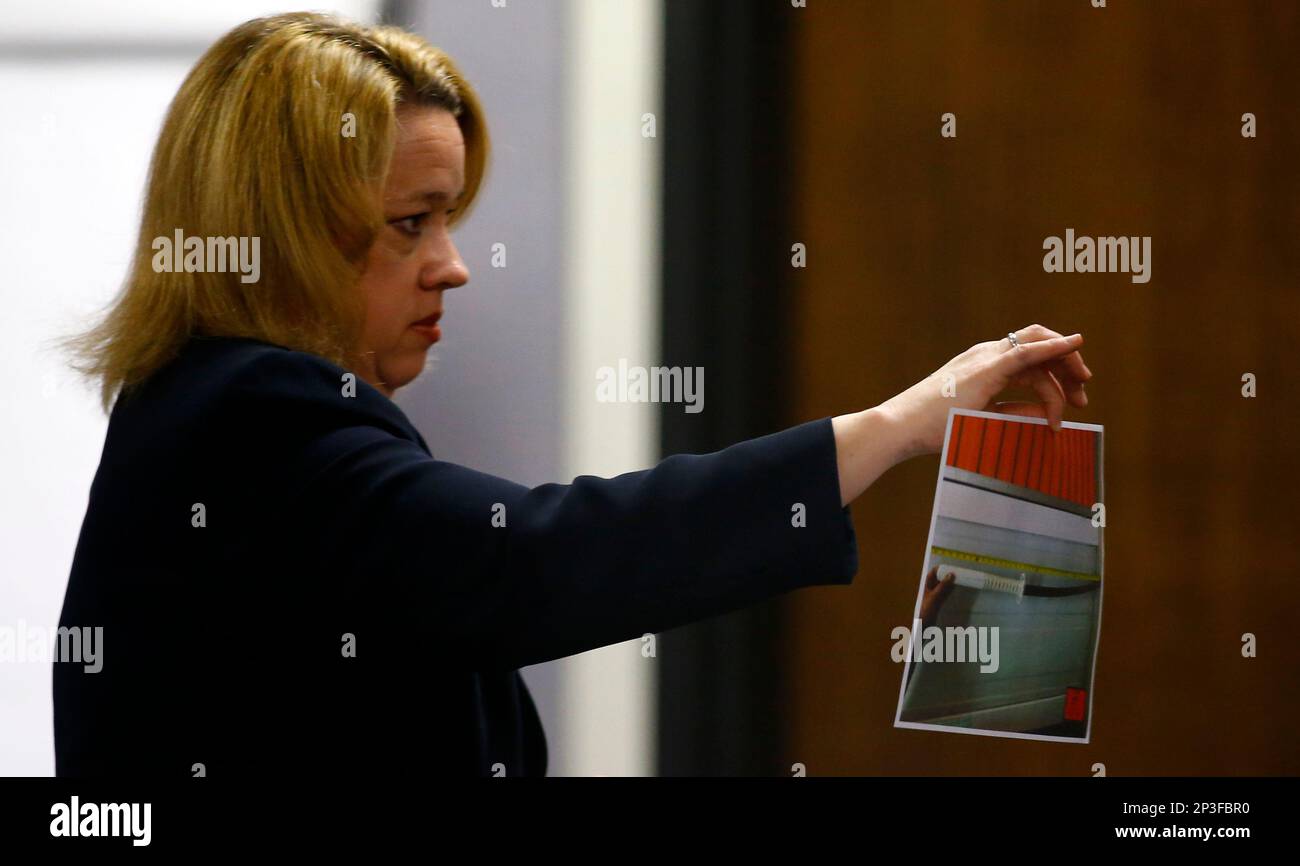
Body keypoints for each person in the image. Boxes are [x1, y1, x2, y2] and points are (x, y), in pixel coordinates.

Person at [53, 12, 1091, 778]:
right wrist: (894, 426)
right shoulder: (252, 414)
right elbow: (533, 557)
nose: (452, 265)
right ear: (283, 229)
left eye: (449, 218)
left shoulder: (222, 408)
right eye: (412, 222)